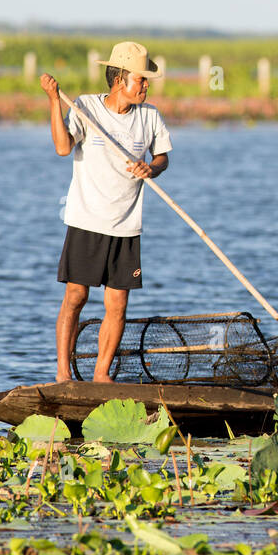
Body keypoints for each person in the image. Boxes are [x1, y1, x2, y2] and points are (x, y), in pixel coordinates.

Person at [39, 41, 172, 381]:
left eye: (146, 81)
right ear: (119, 80)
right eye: (140, 80)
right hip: (87, 221)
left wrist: (151, 168)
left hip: (127, 226)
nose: (145, 86)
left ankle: (101, 375)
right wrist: (54, 101)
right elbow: (62, 147)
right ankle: (63, 374)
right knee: (76, 295)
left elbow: (163, 157)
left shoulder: (150, 116)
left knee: (118, 306)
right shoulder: (86, 107)